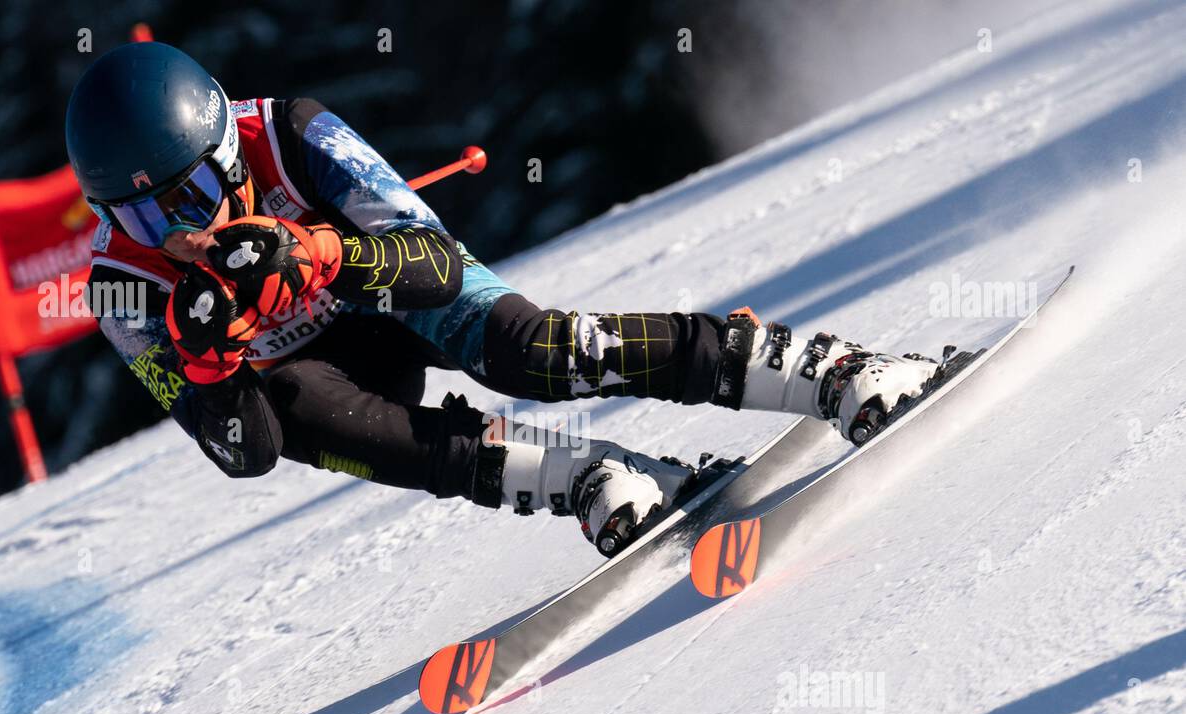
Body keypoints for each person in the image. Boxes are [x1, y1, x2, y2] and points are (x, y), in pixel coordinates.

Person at [65, 42, 938, 555]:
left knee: (535, 352)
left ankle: (827, 369)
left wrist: (324, 254)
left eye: (185, 196)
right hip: (322, 366)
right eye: (139, 211)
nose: (177, 230)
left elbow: (435, 266)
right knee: (294, 410)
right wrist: (208, 365)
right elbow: (243, 452)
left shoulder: (291, 133)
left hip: (387, 292)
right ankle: (584, 477)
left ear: (225, 148)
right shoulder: (125, 288)